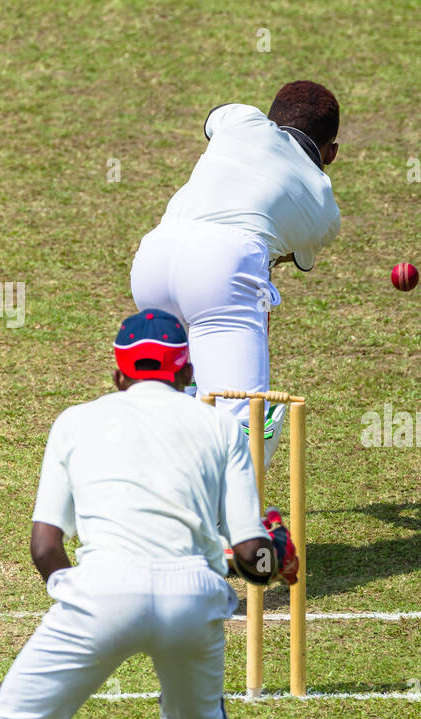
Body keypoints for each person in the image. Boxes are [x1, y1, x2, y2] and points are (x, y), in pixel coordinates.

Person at [0, 309, 298, 719]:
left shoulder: (74, 421)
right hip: (194, 598)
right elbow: (250, 559)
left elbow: (44, 547)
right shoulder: (220, 427)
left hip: (98, 593)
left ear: (118, 374)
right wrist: (277, 554)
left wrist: (80, 593)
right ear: (187, 373)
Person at [130, 80, 342, 463]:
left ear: (273, 116)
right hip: (225, 268)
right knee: (246, 422)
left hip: (154, 256)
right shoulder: (324, 205)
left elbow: (213, 121)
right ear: (332, 153)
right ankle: (230, 521)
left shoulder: (241, 118)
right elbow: (290, 260)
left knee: (164, 406)